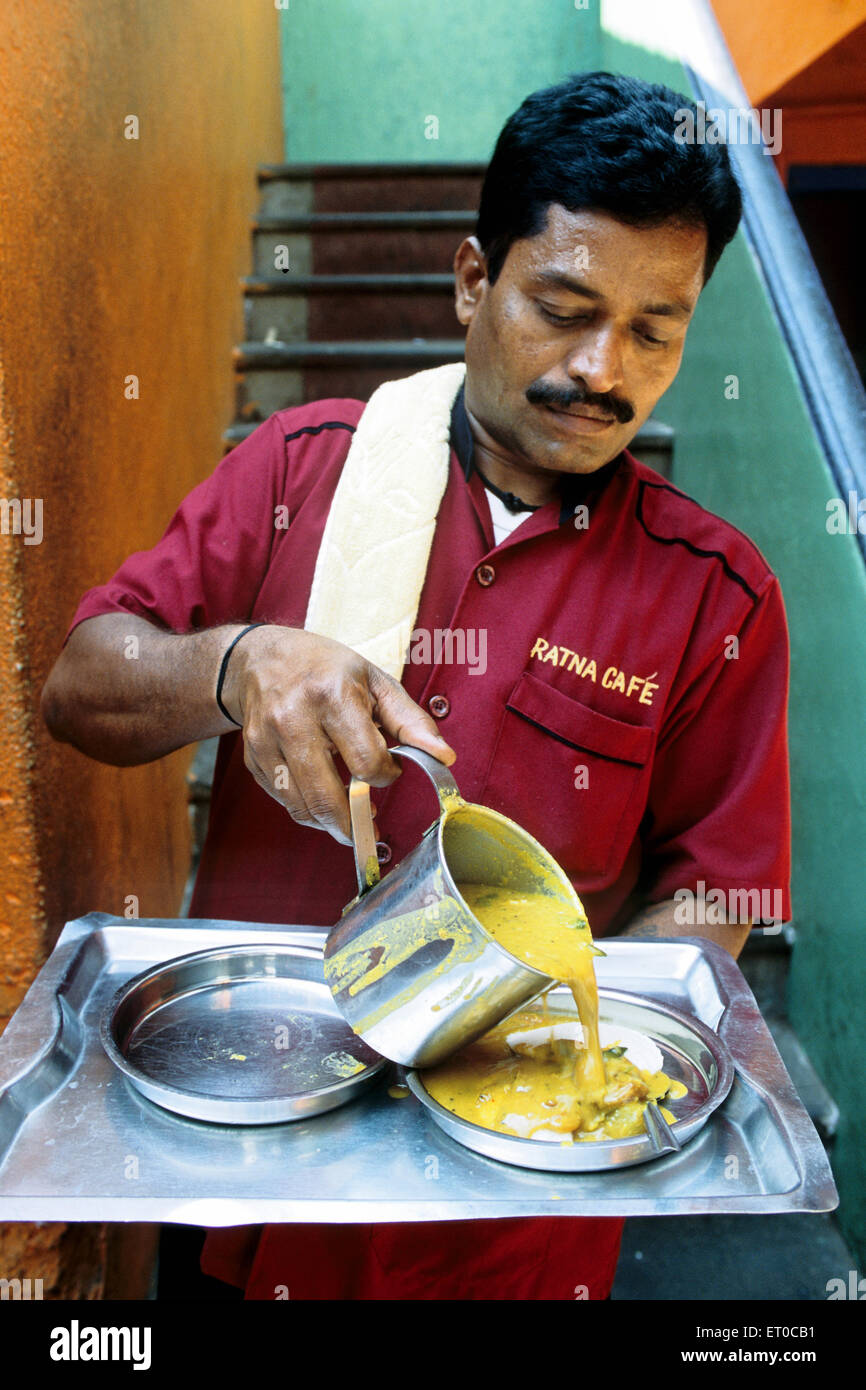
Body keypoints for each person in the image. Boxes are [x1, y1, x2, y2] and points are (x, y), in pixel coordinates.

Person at [41, 70, 791, 1300]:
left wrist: (560, 1069)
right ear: (468, 281)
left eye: (655, 330)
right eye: (561, 306)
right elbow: (80, 686)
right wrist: (233, 665)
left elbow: (720, 887)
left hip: (511, 1226)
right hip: (250, 1174)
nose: (601, 368)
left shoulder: (715, 596)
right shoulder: (299, 469)